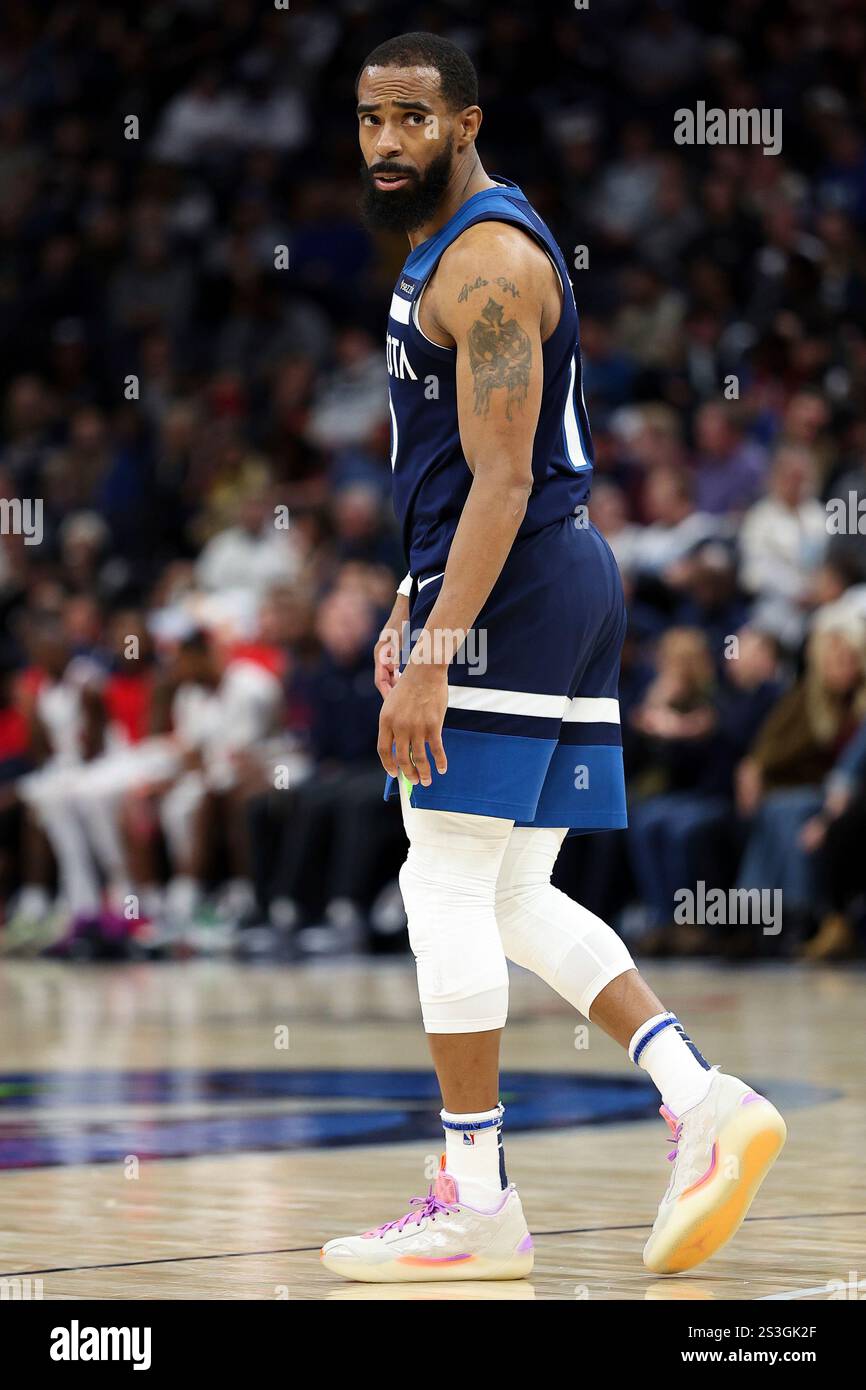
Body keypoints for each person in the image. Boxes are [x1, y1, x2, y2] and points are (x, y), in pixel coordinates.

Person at [321, 32, 786, 1285]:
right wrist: (415, 600)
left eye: (411, 118)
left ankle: (474, 1197)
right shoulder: (460, 244)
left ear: (465, 124)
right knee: (512, 892)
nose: (383, 142)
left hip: (519, 581)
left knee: (440, 884)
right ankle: (697, 1096)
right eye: (368, 118)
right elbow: (460, 477)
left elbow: (502, 473)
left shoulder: (483, 262)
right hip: (541, 578)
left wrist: (435, 647)